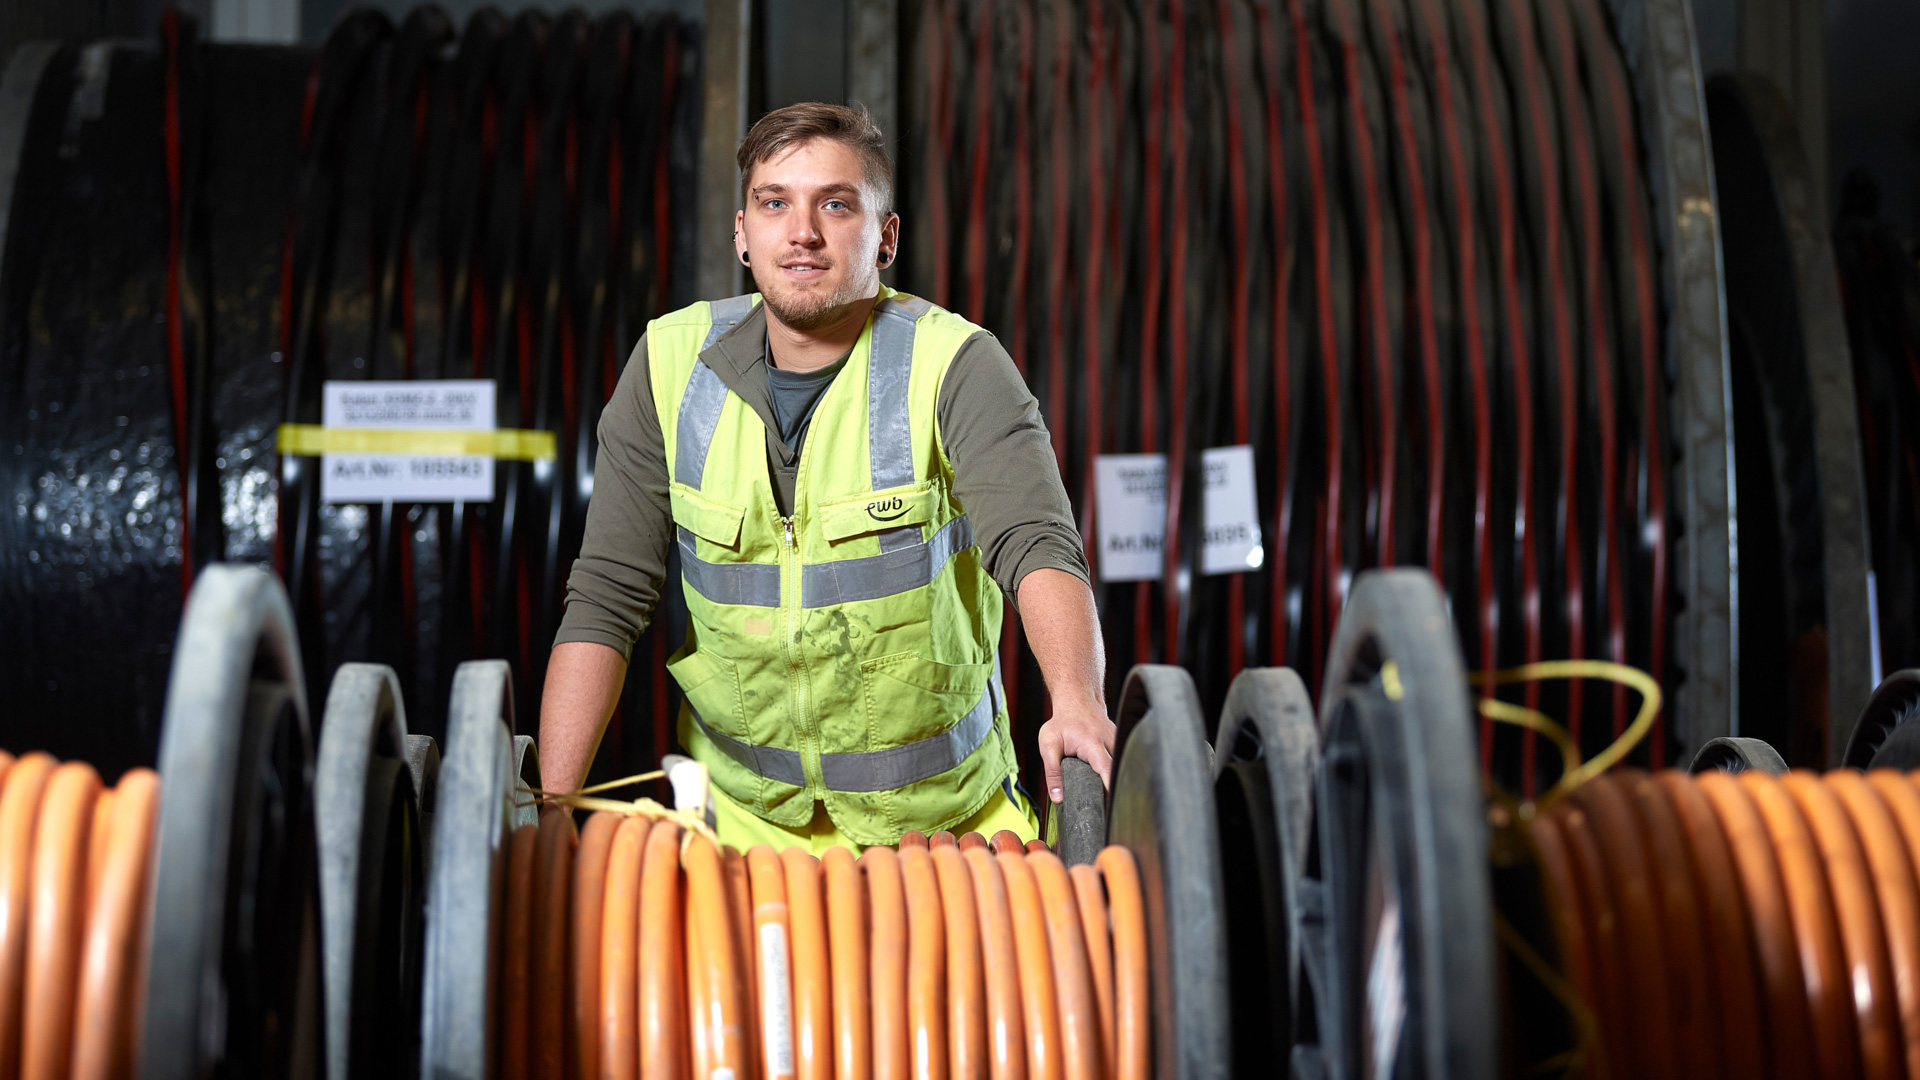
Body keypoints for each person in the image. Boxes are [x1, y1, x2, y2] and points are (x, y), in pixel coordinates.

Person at [538, 102, 1111, 852]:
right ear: (743, 232)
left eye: (835, 205)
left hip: (947, 838)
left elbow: (1037, 544)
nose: (801, 232)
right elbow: (606, 597)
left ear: (886, 238)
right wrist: (550, 812)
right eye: (774, 203)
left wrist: (1075, 699)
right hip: (739, 834)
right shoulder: (669, 367)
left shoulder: (955, 365)